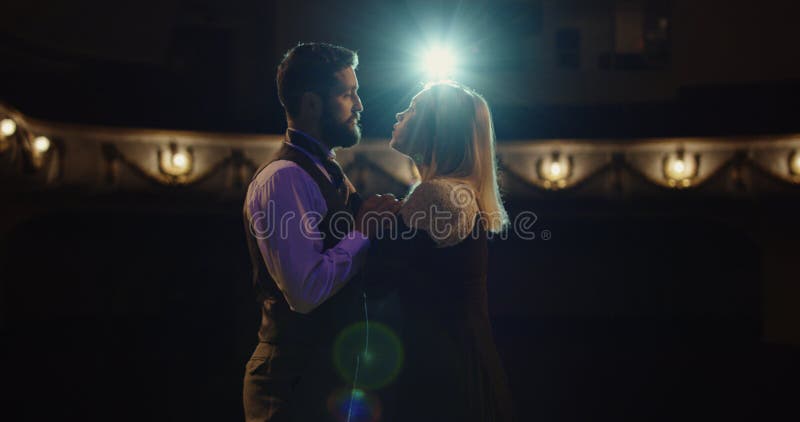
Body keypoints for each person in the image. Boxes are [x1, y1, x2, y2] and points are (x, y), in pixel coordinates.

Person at [242, 42, 400, 422]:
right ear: (312, 103)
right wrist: (363, 231)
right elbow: (305, 292)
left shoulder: (324, 169)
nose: (359, 105)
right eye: (348, 94)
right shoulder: (285, 178)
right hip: (290, 384)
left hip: (321, 375)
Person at [367, 81, 515, 421]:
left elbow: (375, 283)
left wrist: (366, 228)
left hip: (441, 372)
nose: (400, 114)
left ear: (436, 130)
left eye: (413, 109)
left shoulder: (435, 195)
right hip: (463, 361)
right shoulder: (458, 191)